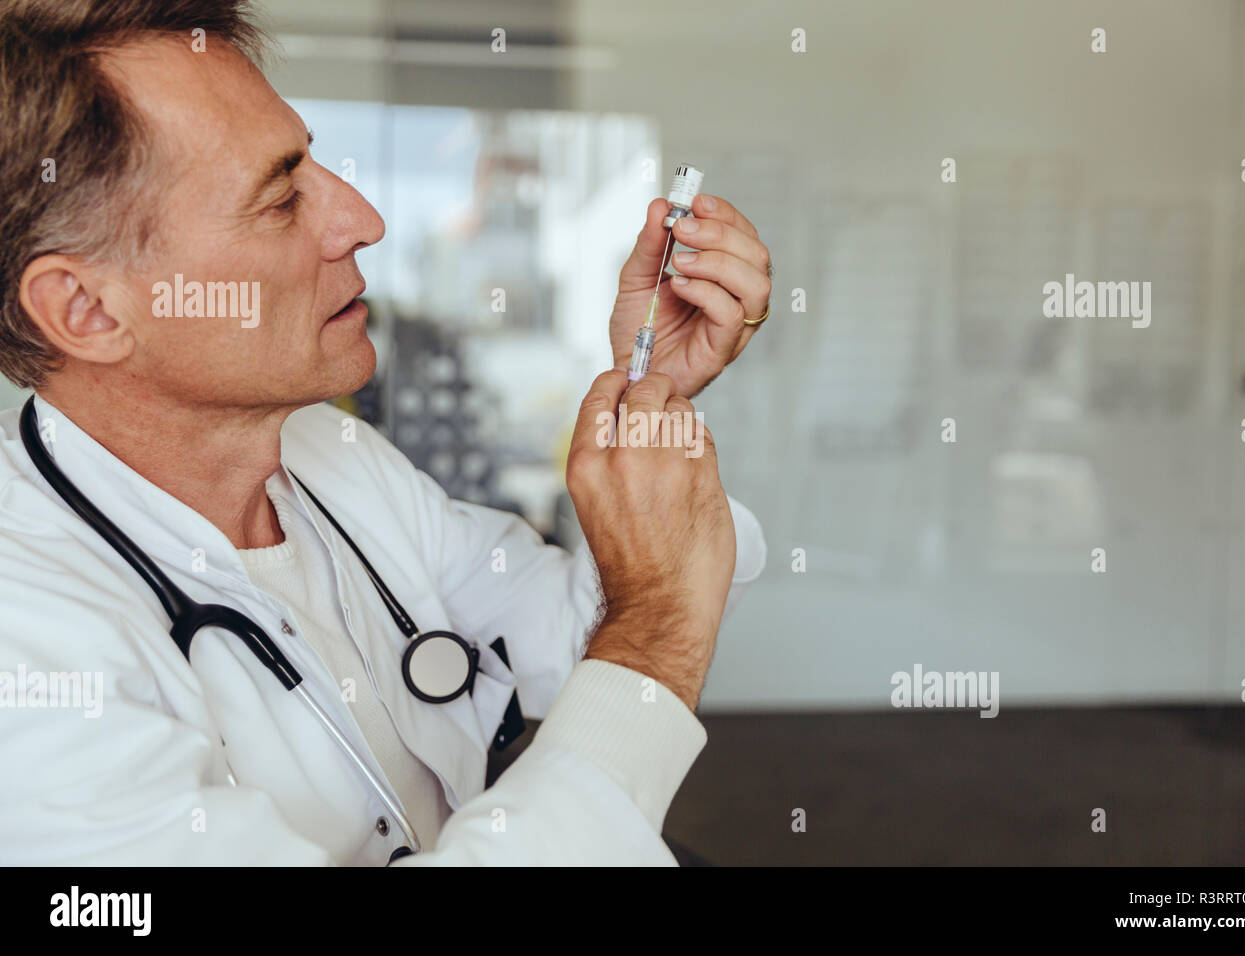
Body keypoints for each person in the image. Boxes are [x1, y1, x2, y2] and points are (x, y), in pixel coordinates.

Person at [0, 0, 774, 865]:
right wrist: (659, 627)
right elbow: (642, 626)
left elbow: (564, 633)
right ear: (88, 310)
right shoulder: (26, 658)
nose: (363, 219)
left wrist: (649, 382)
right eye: (281, 195)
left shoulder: (332, 458)